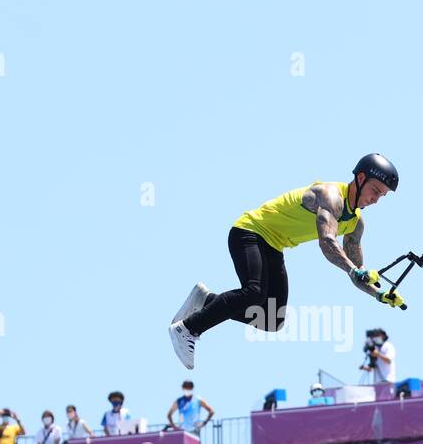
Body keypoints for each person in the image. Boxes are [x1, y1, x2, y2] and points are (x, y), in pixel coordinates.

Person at [169, 153, 400, 369]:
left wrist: (379, 294)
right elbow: (327, 242)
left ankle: (206, 299)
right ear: (360, 178)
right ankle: (188, 328)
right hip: (250, 231)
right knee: (254, 292)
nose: (376, 200)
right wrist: (353, 271)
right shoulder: (330, 197)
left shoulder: (356, 223)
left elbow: (358, 271)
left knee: (272, 318)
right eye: (375, 190)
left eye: (382, 196)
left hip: (273, 245)